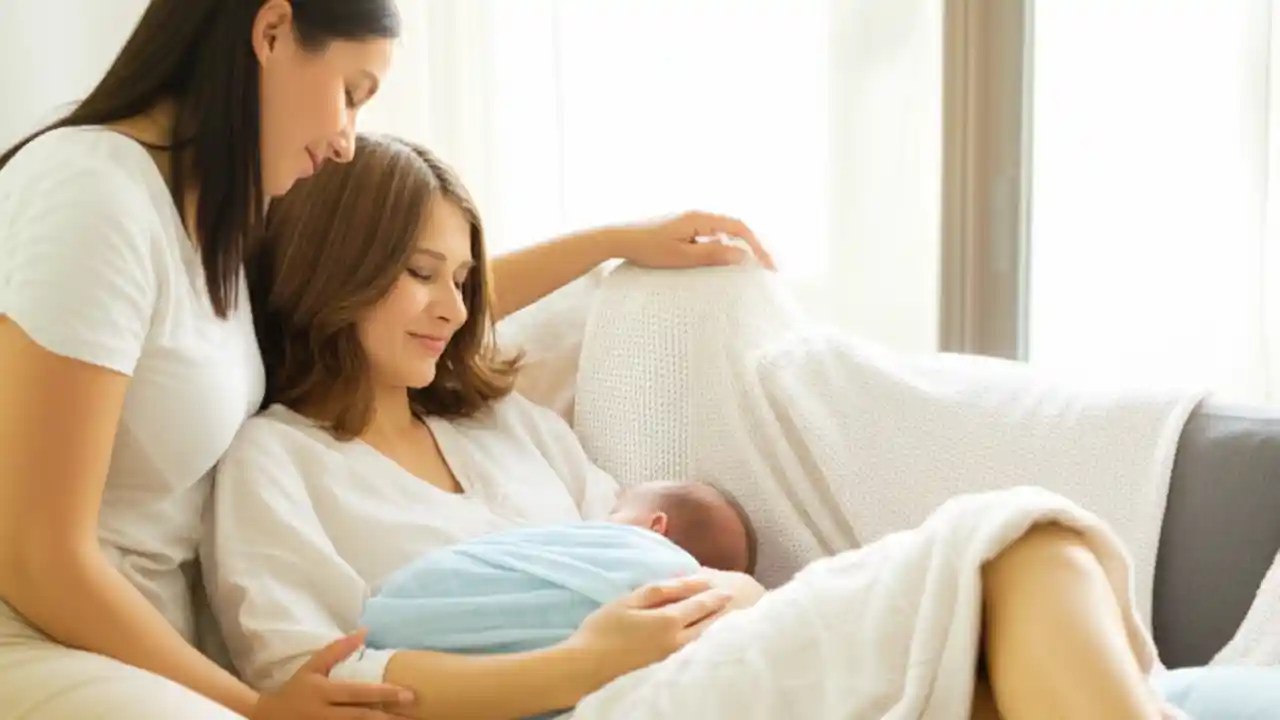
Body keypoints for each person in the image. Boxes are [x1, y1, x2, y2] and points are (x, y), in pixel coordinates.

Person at [206, 134, 1175, 720]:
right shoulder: (275, 463)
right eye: (421, 274)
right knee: (1028, 547)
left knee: (1006, 645)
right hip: (606, 699)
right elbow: (318, 687)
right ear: (335, 268)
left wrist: (737, 601)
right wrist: (581, 662)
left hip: (698, 661)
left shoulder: (501, 427)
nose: (454, 310)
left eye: (463, 282)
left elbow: (632, 552)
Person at [0, 2, 766, 717]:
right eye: (352, 91)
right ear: (271, 32)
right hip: (38, 638)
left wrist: (613, 242)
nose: (344, 139)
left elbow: (400, 296)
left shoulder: (216, 232)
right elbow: (36, 555)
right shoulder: (94, 192)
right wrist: (253, 707)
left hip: (146, 651)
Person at [356, 481, 756, 659]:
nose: (601, 522)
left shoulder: (653, 559)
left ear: (656, 526)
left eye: (614, 513)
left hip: (399, 618)